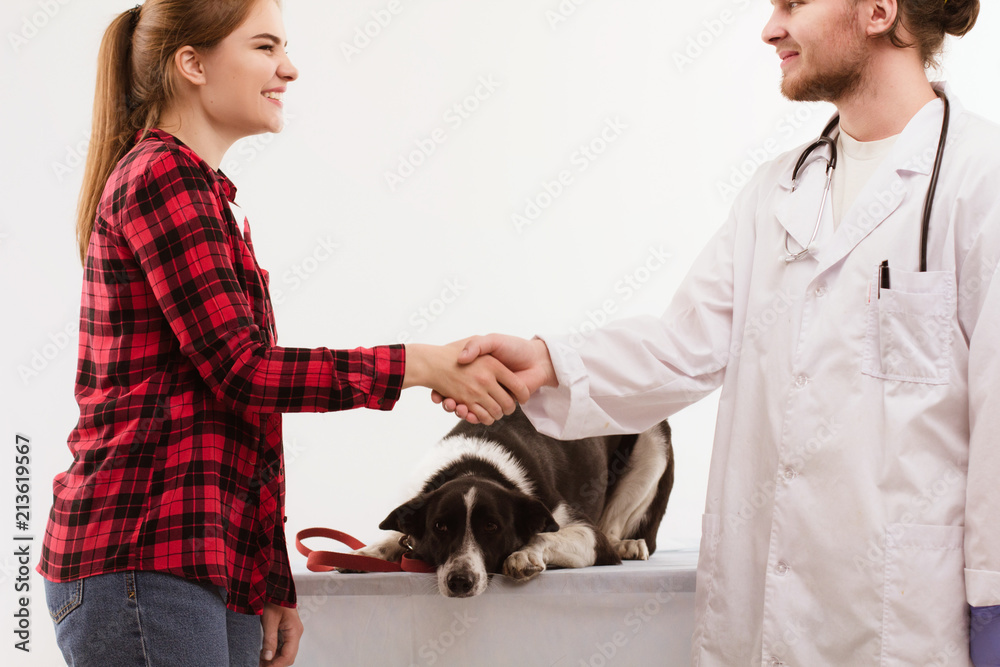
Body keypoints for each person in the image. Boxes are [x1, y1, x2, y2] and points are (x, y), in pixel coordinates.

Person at [435, 1, 1000, 664]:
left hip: (902, 618)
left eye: (794, 3)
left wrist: (993, 601)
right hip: (765, 609)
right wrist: (549, 361)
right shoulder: (778, 194)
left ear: (878, 10)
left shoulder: (978, 182)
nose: (770, 28)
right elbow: (683, 346)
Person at [38, 1, 528, 666]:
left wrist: (268, 579)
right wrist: (419, 363)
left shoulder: (206, 197)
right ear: (192, 64)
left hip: (200, 571)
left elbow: (245, 415)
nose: (290, 69)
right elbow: (246, 368)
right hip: (142, 564)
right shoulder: (161, 178)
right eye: (266, 47)